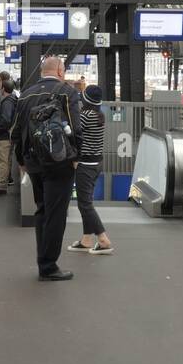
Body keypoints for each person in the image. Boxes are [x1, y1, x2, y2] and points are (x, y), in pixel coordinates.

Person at [11, 56, 82, 281]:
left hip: (33, 161)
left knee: (42, 209)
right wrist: (76, 156)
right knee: (56, 213)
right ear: (60, 71)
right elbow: (76, 128)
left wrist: (21, 159)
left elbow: (15, 130)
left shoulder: (25, 94)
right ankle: (48, 266)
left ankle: (43, 261)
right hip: (59, 161)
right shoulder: (67, 92)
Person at [67, 85, 113, 254]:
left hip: (85, 165)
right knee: (86, 203)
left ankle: (103, 239)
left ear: (85, 100)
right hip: (96, 163)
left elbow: (74, 135)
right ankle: (86, 239)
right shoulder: (99, 115)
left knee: (85, 205)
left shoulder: (85, 116)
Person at [0, 77, 17, 196]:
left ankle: (1, 187)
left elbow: (5, 120)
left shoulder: (7, 102)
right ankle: (4, 182)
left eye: (0, 87)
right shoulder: (13, 99)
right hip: (9, 136)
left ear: (3, 89)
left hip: (4, 136)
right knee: (7, 160)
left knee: (2, 162)